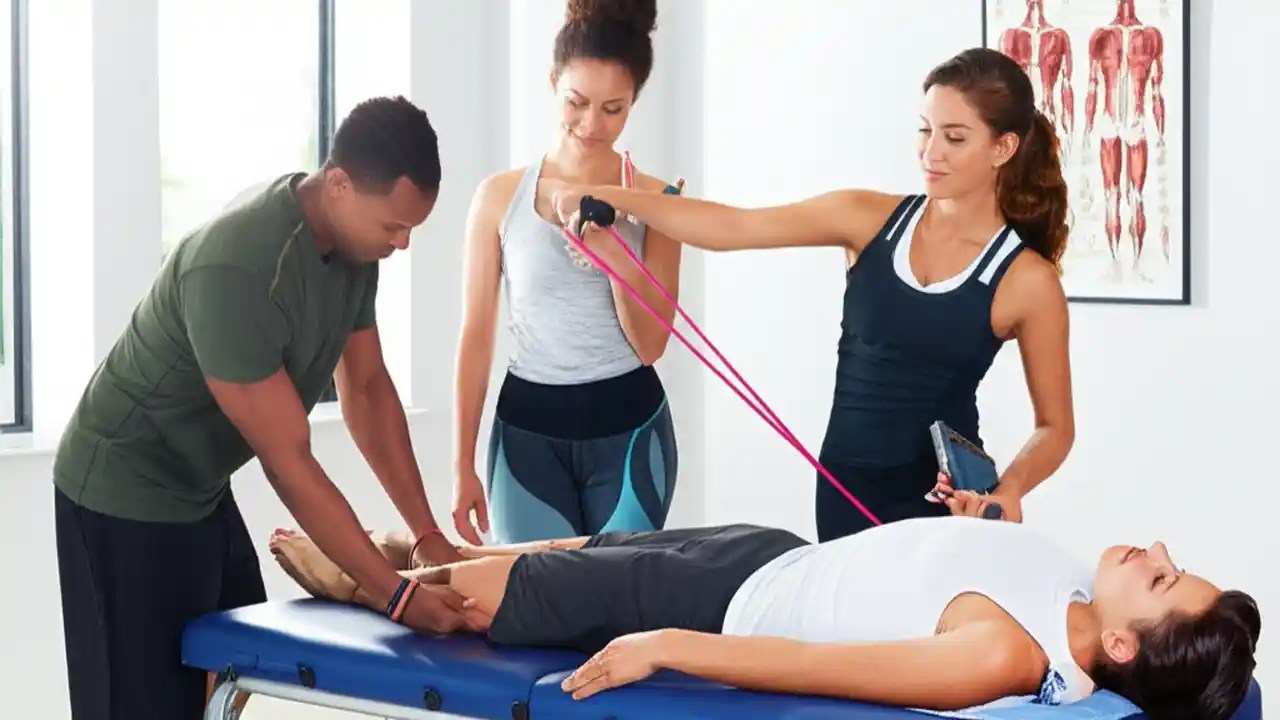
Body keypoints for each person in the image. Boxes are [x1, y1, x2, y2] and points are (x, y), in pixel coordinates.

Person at [543, 46, 1076, 541]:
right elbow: (735, 226)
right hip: (843, 487)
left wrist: (1009, 488)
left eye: (954, 138)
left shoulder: (1026, 280)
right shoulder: (868, 219)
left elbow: (1055, 428)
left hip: (947, 508)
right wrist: (611, 196)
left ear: (1003, 147)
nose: (930, 152)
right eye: (925, 130)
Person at [51, 96, 469, 720]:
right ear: (339, 184)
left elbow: (366, 389)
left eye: (411, 228)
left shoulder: (354, 250)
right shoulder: (238, 265)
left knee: (231, 668)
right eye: (392, 226)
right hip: (120, 489)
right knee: (142, 704)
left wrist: (426, 534)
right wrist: (397, 598)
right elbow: (289, 463)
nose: (403, 243)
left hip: (198, 486)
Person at [269, 499, 1260, 720]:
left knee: (480, 600)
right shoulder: (1077, 587)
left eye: (1162, 580)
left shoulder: (1002, 659)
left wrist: (666, 647)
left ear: (1122, 642)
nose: (1155, 554)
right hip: (768, 552)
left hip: (718, 603)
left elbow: (817, 671)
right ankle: (403, 554)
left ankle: (358, 583)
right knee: (521, 554)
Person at [452, 0, 683, 546]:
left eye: (613, 109)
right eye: (576, 102)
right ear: (553, 81)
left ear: (634, 102)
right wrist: (461, 465)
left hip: (630, 432)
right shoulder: (499, 197)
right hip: (527, 437)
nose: (592, 125)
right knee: (534, 593)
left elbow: (651, 345)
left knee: (616, 596)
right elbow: (476, 336)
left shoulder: (659, 201)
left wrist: (614, 254)